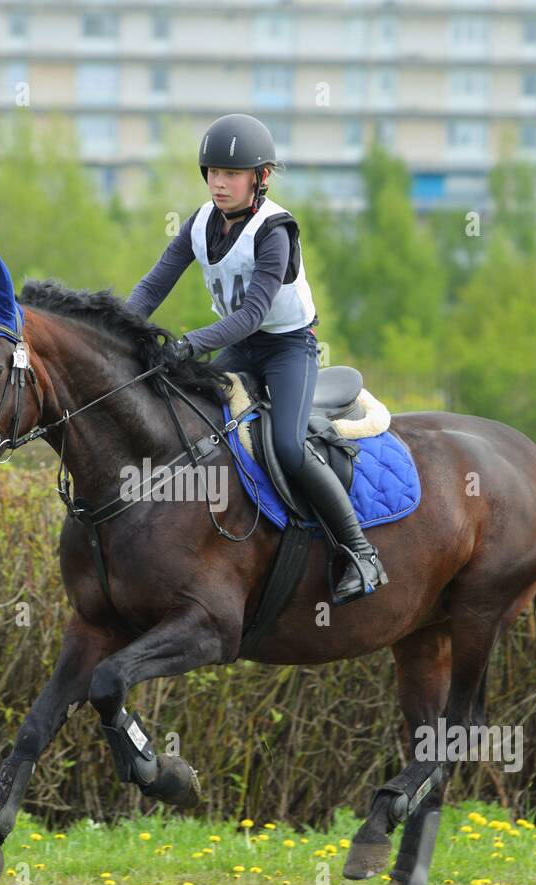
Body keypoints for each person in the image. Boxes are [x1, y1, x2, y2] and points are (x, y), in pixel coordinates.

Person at [125, 113, 387, 605]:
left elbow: (250, 316)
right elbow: (153, 285)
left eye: (232, 174)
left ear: (260, 178)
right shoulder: (201, 223)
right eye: (213, 173)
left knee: (288, 446)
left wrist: (189, 344)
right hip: (243, 347)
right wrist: (115, 328)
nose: (219, 184)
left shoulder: (275, 232)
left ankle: (360, 551)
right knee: (189, 414)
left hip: (289, 347)